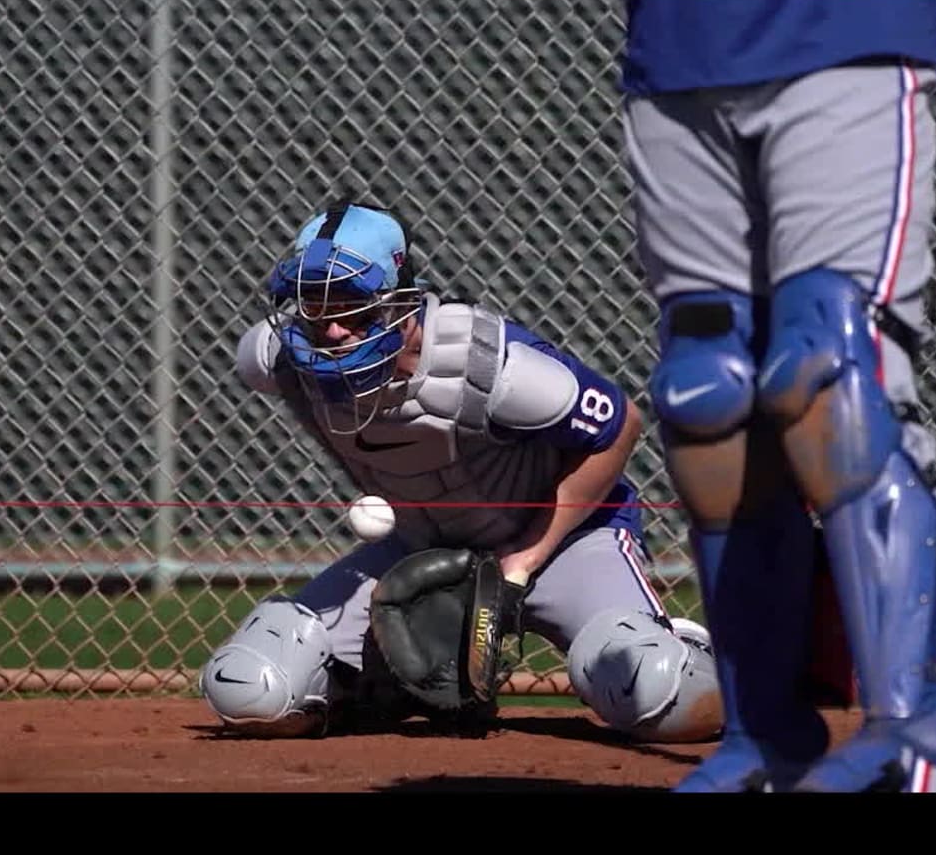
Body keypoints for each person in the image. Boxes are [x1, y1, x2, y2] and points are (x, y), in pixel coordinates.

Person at [619, 0, 936, 792]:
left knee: (832, 377)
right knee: (708, 401)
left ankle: (917, 733)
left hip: (849, 35)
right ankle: (763, 739)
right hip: (672, 57)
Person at [199, 199, 723, 744]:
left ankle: (699, 652)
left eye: (352, 308)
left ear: (399, 302)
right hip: (419, 551)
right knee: (252, 687)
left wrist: (522, 561)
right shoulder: (278, 361)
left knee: (660, 691)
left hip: (565, 545)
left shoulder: (489, 365)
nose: (331, 331)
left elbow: (619, 427)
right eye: (314, 308)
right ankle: (388, 687)